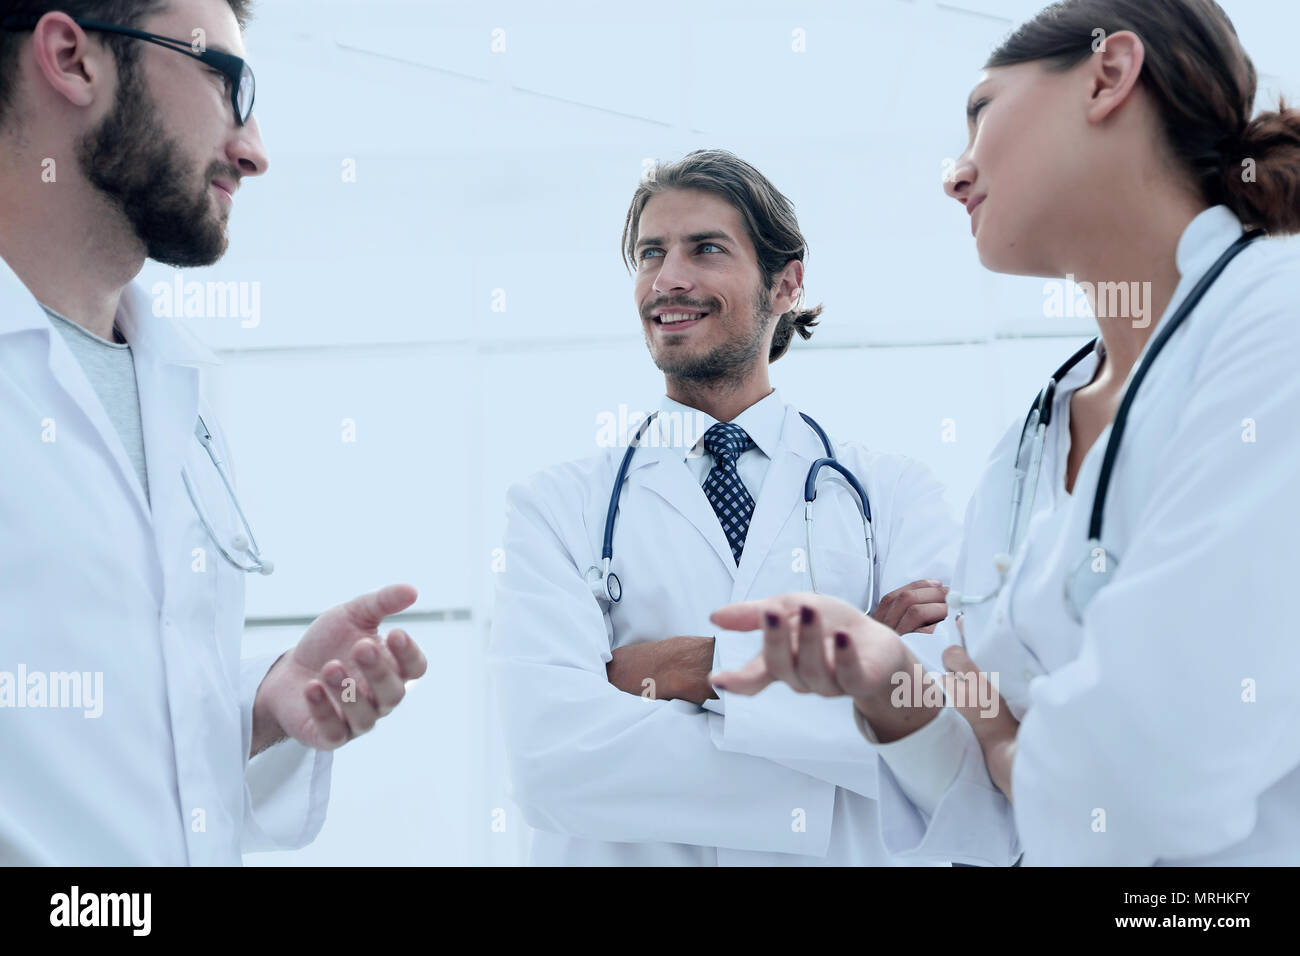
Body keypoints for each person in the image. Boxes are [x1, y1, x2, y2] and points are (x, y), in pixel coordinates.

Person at [711, 0, 1300, 866]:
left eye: (982, 113)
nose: (956, 175)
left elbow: (1147, 771)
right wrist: (891, 680)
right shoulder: (1027, 446)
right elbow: (1004, 825)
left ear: (1108, 74)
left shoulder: (1277, 318)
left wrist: (1009, 743)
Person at [0, 0, 426, 865]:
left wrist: (260, 708)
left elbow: (85, 739)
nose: (253, 149)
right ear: (73, 60)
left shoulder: (174, 385)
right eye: (226, 81)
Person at [491, 149, 963, 865]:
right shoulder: (553, 509)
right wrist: (844, 683)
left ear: (787, 284)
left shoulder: (894, 497)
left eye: (705, 249)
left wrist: (694, 667)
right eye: (652, 254)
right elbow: (552, 762)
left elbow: (942, 743)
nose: (668, 279)